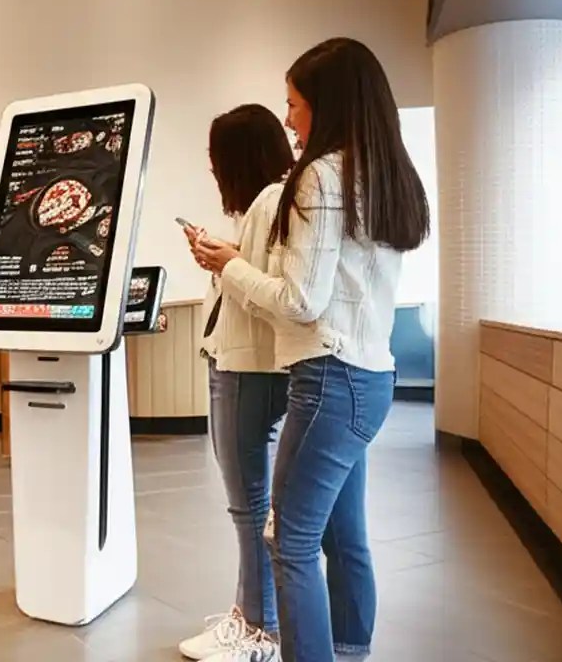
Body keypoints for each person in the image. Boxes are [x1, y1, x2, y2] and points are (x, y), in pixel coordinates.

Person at [193, 38, 430, 662]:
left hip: (326, 378)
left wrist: (232, 268)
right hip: (372, 377)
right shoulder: (384, 176)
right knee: (345, 536)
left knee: (289, 540)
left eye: (295, 104)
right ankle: (351, 649)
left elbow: (301, 301)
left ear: (326, 105)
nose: (290, 119)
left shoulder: (319, 178)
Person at [177, 104, 294, 662]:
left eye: (215, 160)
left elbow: (269, 293)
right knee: (256, 506)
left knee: (247, 506)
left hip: (247, 369)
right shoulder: (277, 202)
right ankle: (255, 620)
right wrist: (221, 257)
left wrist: (224, 262)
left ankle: (257, 629)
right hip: (258, 366)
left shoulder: (271, 202)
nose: (212, 171)